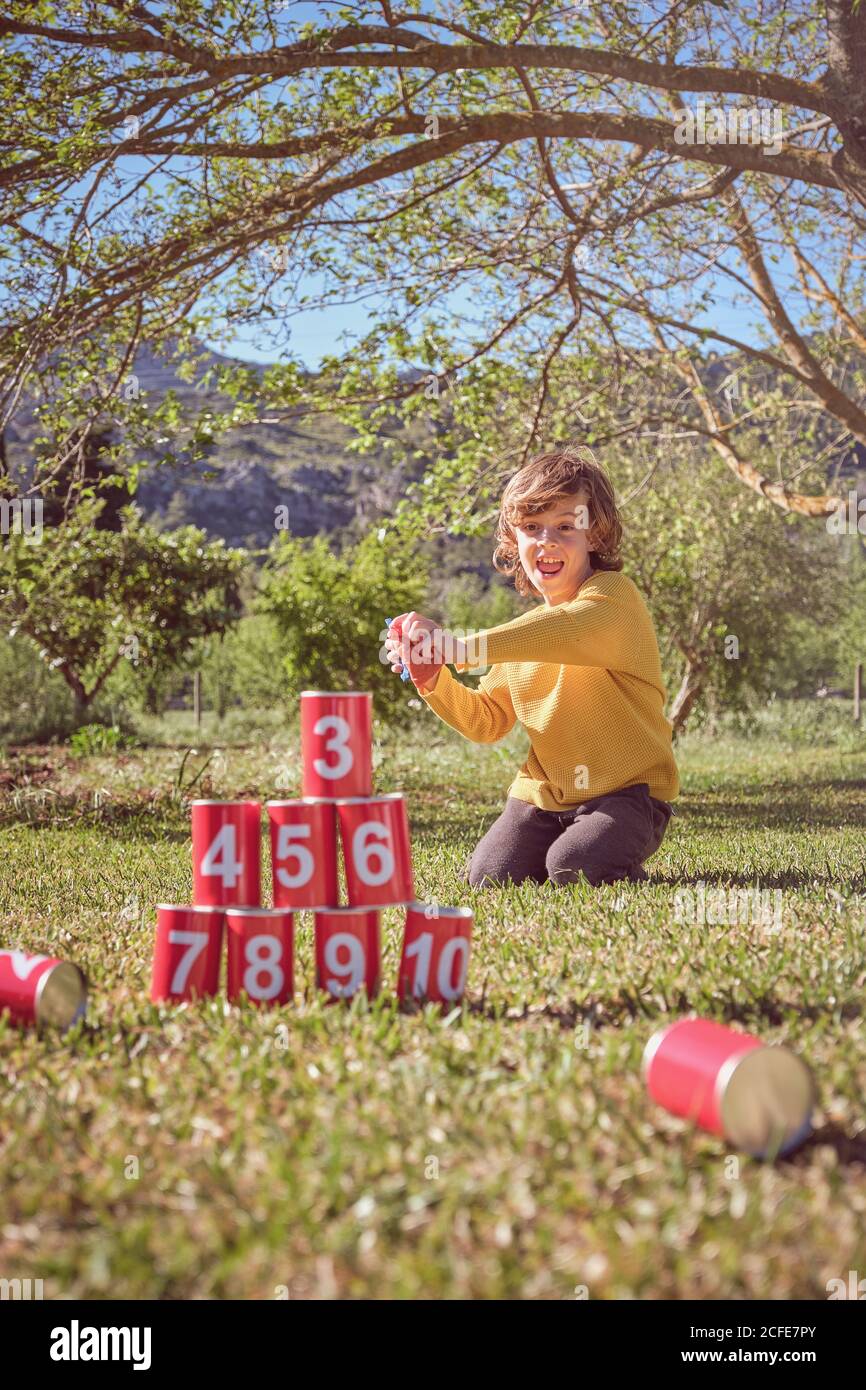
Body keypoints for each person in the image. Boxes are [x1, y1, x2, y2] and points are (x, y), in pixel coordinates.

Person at [385, 445, 679, 889]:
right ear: (513, 540)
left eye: (566, 526)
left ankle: (601, 857)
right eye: (531, 528)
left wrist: (455, 648)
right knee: (490, 877)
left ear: (595, 535)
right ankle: (562, 844)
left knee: (575, 866)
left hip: (628, 796)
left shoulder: (614, 599)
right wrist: (432, 678)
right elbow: (486, 722)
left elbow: (568, 630)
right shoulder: (524, 633)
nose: (547, 541)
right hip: (542, 797)